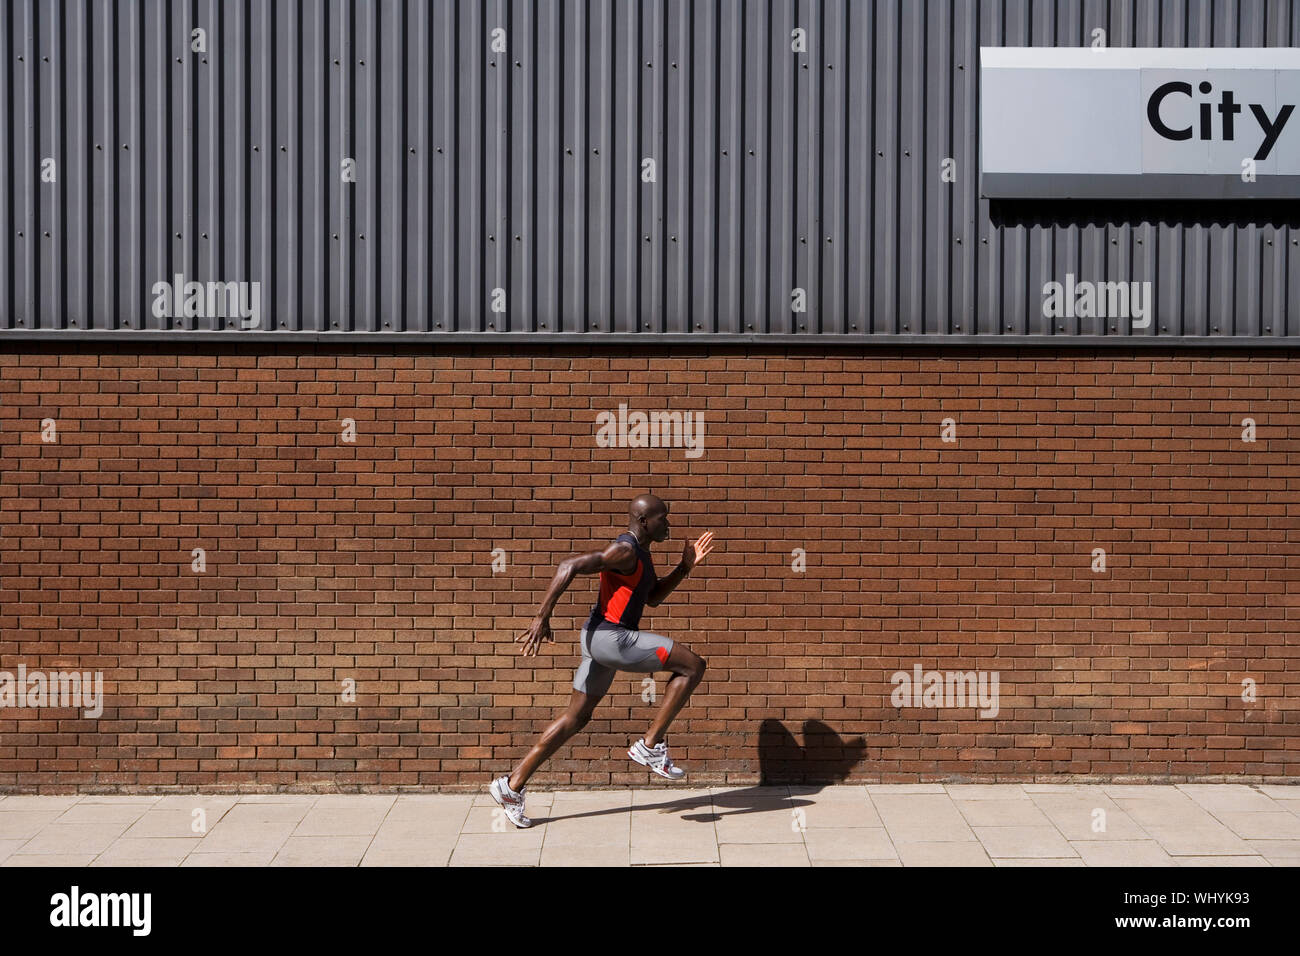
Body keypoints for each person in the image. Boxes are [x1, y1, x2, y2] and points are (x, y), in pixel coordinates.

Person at [489, 494, 715, 828]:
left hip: (598, 640)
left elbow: (650, 598)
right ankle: (650, 745)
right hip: (613, 638)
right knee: (693, 665)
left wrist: (684, 568)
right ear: (643, 522)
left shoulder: (641, 555)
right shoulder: (624, 550)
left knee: (575, 718)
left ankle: (511, 785)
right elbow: (569, 565)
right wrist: (541, 617)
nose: (667, 524)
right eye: (662, 519)